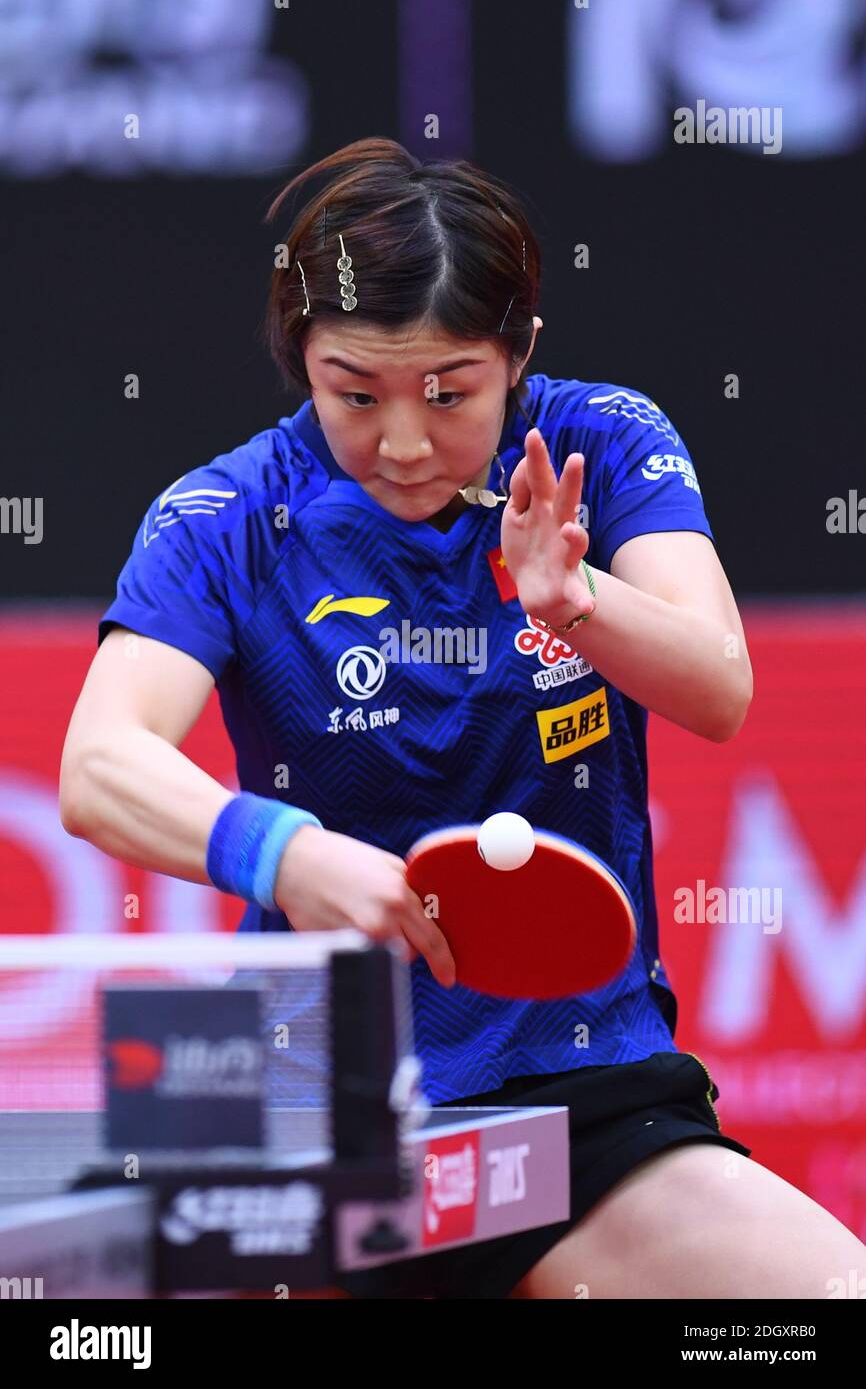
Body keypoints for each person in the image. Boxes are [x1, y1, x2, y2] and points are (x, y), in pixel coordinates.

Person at [60, 137, 866, 1299]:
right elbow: (98, 765)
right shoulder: (224, 515)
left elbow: (718, 687)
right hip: (319, 1108)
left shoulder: (602, 442)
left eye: (448, 392)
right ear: (301, 358)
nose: (400, 439)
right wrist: (286, 854)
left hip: (576, 1107)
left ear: (517, 353)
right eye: (354, 392)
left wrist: (576, 598)